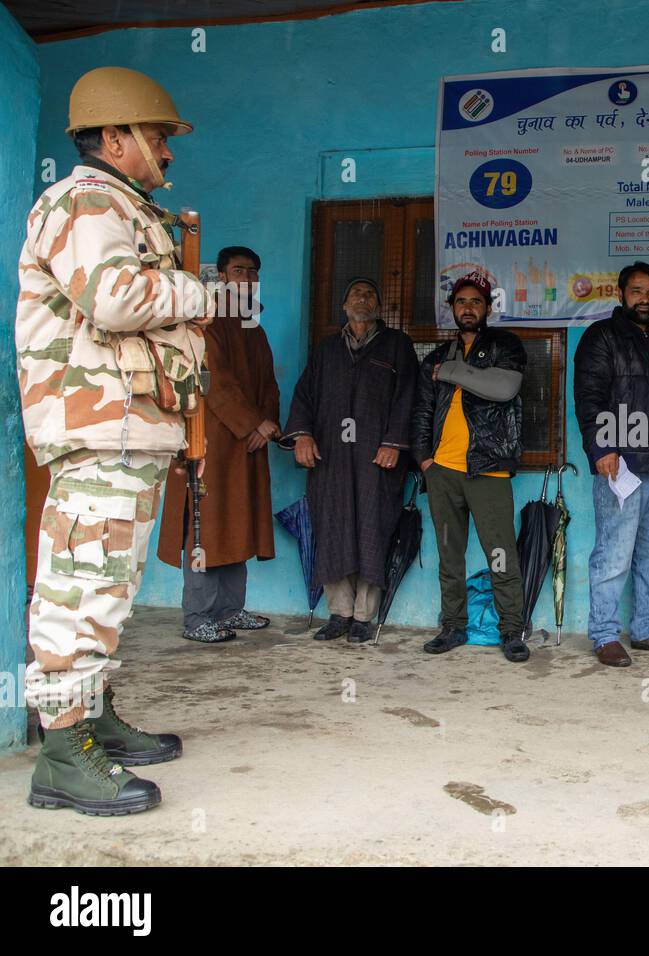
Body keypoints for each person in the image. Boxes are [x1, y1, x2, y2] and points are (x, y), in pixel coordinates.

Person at [17, 66, 213, 815]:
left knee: (110, 591)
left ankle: (91, 719)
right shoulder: (85, 200)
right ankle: (63, 756)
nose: (168, 151)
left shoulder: (124, 205)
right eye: (157, 137)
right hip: (100, 429)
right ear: (114, 138)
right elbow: (112, 295)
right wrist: (200, 294)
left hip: (128, 431)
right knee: (81, 589)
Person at [281, 277, 418, 644]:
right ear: (344, 305)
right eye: (355, 292)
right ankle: (339, 612)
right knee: (332, 529)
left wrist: (394, 442)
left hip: (377, 458)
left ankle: (363, 616)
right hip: (332, 458)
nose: (363, 298)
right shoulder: (326, 350)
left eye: (370, 293)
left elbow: (409, 397)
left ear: (379, 305)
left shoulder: (397, 345)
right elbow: (304, 396)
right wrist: (303, 436)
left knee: (372, 528)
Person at [573, 261, 649, 667]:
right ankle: (605, 635)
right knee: (613, 554)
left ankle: (646, 629)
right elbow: (589, 398)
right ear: (621, 294)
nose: (646, 299)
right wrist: (601, 450)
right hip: (622, 466)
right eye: (638, 291)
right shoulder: (602, 337)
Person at [158, 246, 280, 643]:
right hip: (210, 441)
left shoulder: (253, 328)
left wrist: (268, 424)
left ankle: (230, 609)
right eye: (238, 271)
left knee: (237, 524)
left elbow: (268, 385)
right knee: (206, 529)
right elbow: (215, 383)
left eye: (252, 272)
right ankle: (198, 618)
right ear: (222, 277)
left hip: (247, 444)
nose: (246, 279)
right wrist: (254, 423)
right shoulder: (205, 322)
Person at [410, 271, 530, 663]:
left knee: (500, 553)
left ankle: (512, 630)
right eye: (461, 302)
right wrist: (424, 460)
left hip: (488, 469)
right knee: (450, 554)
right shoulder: (434, 355)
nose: (467, 308)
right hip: (442, 470)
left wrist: (449, 372)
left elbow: (503, 388)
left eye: (475, 302)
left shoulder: (505, 346)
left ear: (487, 308)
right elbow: (422, 413)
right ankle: (453, 626)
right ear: (451, 309)